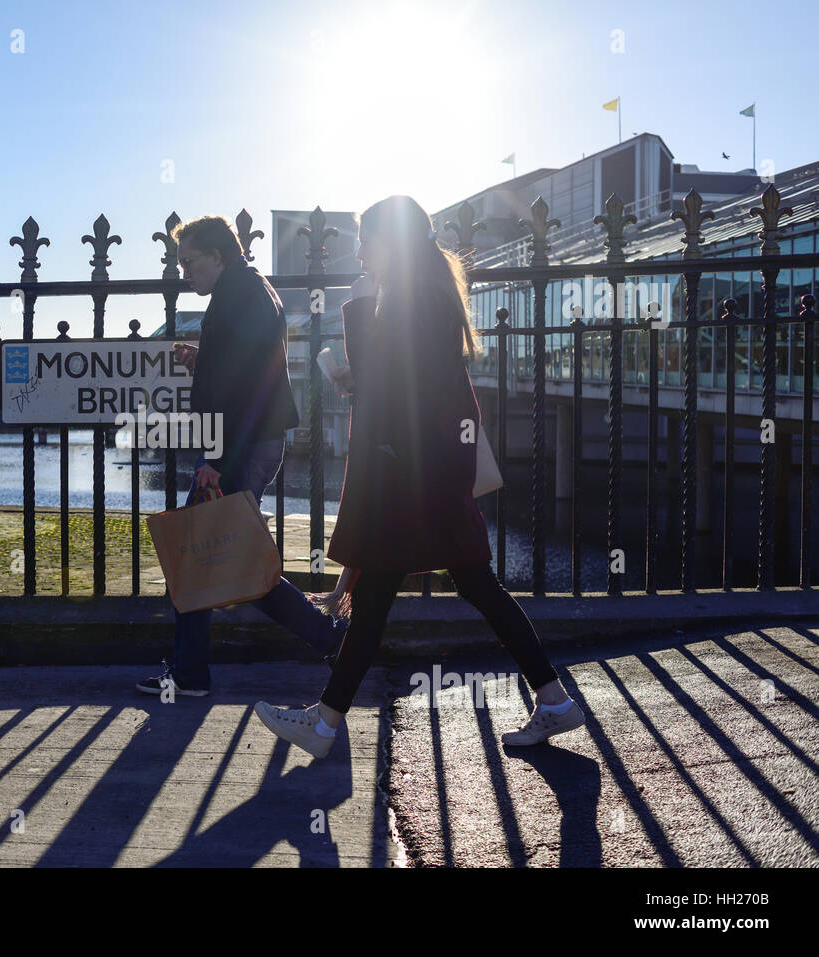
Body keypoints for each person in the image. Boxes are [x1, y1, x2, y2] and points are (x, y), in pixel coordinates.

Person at [253, 195, 585, 756]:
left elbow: (391, 378)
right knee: (469, 587)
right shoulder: (425, 292)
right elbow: (406, 376)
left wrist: (356, 314)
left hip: (414, 467)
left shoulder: (408, 298)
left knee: (395, 593)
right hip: (428, 462)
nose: (359, 249)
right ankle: (552, 699)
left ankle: (326, 724)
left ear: (392, 243)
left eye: (366, 238)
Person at [138, 215, 349, 697]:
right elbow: (242, 370)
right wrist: (204, 358)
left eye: (188, 261)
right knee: (233, 555)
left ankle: (192, 675)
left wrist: (219, 459)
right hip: (243, 443)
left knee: (201, 557)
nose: (183, 272)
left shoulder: (239, 294)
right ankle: (325, 637)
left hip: (237, 446)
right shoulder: (247, 289)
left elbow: (249, 387)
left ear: (216, 255)